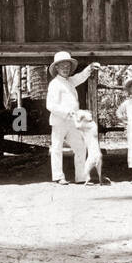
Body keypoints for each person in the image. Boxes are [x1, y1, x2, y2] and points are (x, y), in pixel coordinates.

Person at [47, 51, 97, 184]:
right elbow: (50, 105)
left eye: (67, 67)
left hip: (73, 122)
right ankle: (58, 176)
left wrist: (90, 67)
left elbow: (81, 77)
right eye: (62, 66)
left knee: (80, 147)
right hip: (59, 121)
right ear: (56, 68)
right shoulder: (55, 84)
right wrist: (66, 112)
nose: (65, 69)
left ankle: (80, 176)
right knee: (57, 148)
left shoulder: (69, 81)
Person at [75, 109, 108, 185]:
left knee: (86, 169)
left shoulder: (86, 125)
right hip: (97, 153)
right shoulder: (93, 124)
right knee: (99, 168)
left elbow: (77, 126)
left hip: (92, 154)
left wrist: (74, 116)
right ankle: (100, 180)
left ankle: (87, 178)